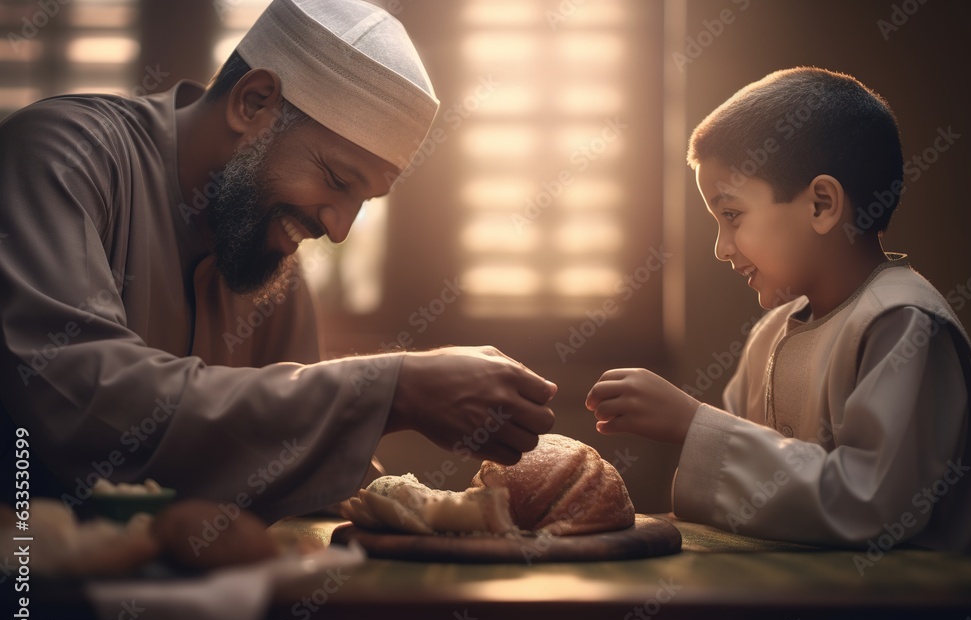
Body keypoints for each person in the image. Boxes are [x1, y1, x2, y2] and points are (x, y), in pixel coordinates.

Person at [0, 0, 557, 521]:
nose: (338, 229)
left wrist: (431, 511)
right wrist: (393, 388)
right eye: (337, 181)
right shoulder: (65, 159)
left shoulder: (264, 257)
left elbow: (287, 459)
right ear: (254, 103)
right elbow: (77, 399)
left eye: (361, 203)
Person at [586, 67, 971, 556]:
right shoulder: (771, 333)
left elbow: (876, 505)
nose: (721, 247)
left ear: (822, 204)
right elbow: (749, 499)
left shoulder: (903, 322)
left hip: (912, 616)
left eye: (732, 216)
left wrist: (693, 423)